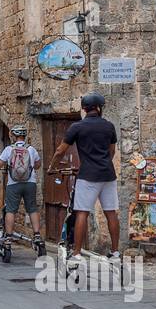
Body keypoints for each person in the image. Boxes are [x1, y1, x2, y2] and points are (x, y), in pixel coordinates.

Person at [47, 92, 121, 267]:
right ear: (98, 108)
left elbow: (60, 151)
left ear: (85, 109)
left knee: (82, 212)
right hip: (108, 175)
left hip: (87, 176)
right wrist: (102, 164)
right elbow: (112, 152)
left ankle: (77, 254)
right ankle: (115, 253)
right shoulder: (109, 126)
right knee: (111, 212)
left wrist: (52, 168)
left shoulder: (77, 127)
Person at [0, 125, 42, 245]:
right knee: (32, 209)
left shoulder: (9, 149)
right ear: (24, 136)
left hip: (13, 184)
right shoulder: (31, 149)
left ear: (14, 136)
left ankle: (8, 236)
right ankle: (37, 235)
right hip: (30, 183)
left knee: (11, 210)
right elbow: (38, 165)